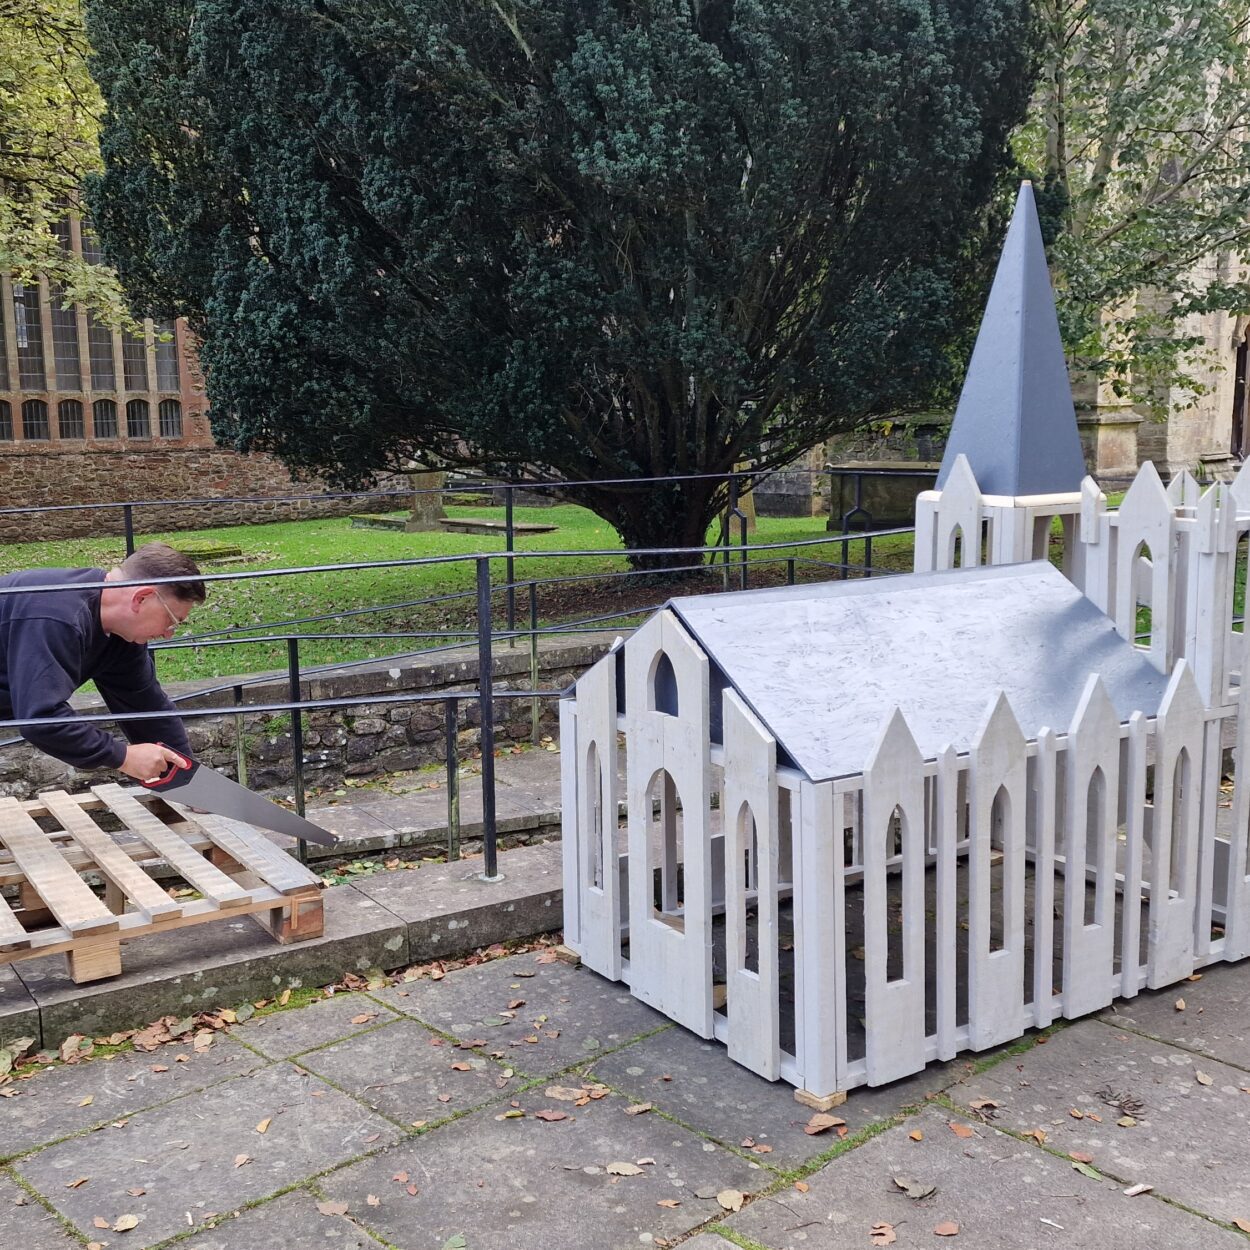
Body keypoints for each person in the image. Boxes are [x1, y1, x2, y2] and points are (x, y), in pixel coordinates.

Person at [0, 541, 206, 782]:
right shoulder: (58, 616)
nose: (168, 633)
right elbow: (41, 719)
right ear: (141, 598)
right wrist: (123, 757)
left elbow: (145, 706)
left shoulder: (122, 635)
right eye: (172, 621)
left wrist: (189, 780)